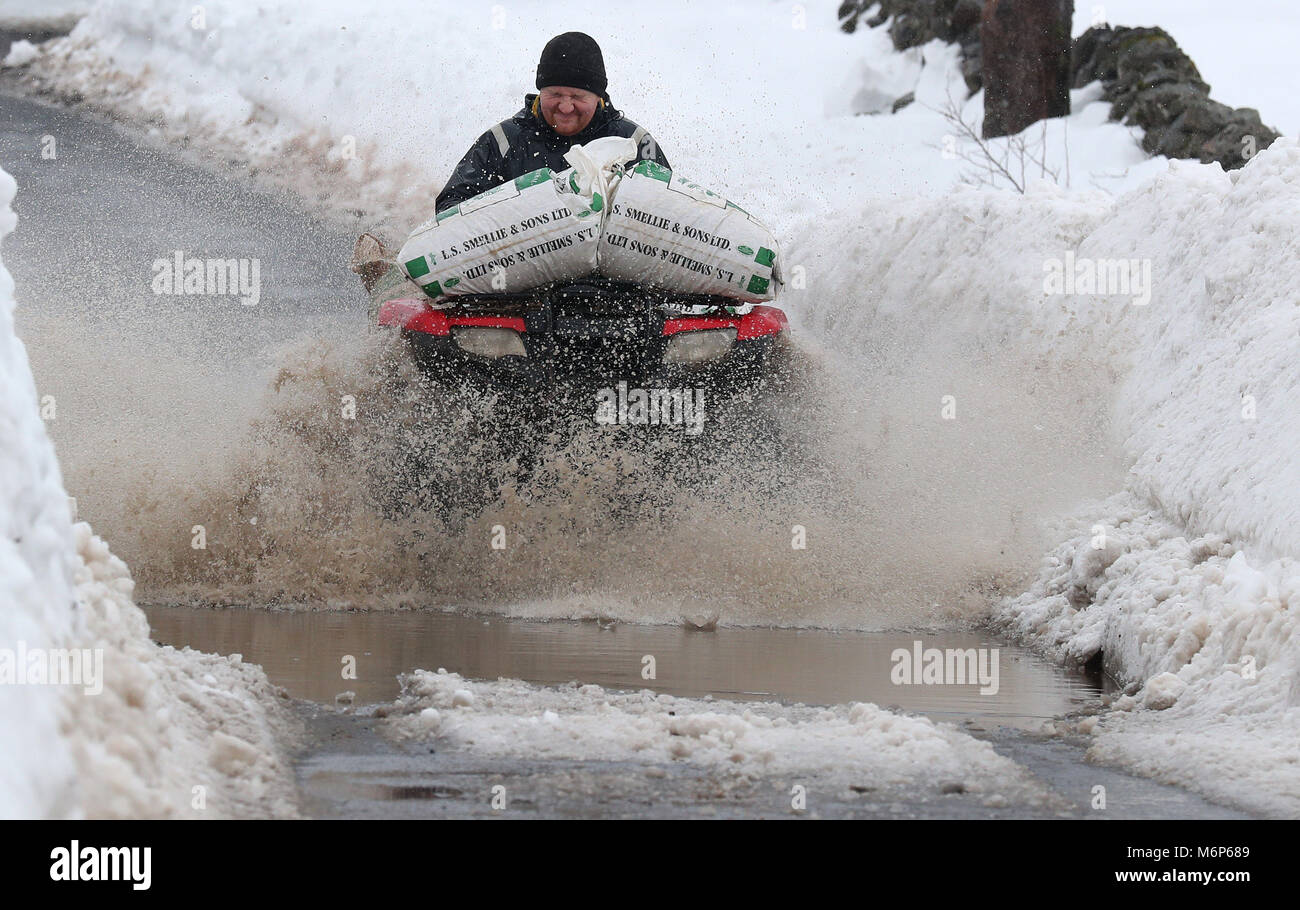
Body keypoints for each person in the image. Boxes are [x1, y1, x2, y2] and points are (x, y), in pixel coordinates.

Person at [435, 31, 670, 211]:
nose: (566, 107)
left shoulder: (634, 142)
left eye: (578, 97)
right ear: (540, 93)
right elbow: (451, 204)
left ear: (598, 97)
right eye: (555, 95)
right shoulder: (503, 142)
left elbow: (669, 210)